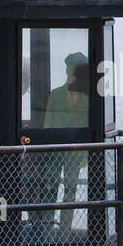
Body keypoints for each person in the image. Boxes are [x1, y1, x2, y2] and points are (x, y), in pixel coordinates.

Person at [36, 52, 89, 232]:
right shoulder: (55, 94)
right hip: (54, 150)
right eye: (72, 67)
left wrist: (87, 153)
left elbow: (89, 125)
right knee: (50, 188)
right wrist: (45, 150)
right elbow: (46, 125)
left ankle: (65, 229)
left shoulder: (89, 98)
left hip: (75, 152)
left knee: (70, 191)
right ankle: (47, 228)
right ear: (68, 69)